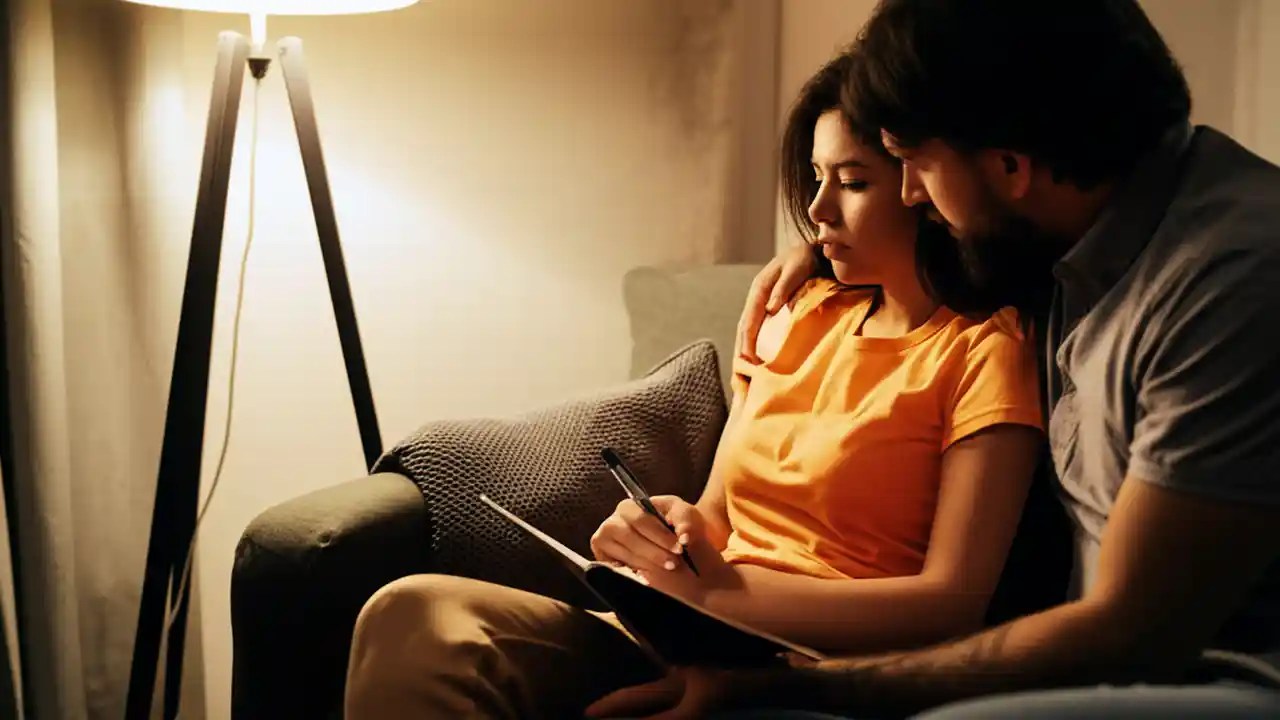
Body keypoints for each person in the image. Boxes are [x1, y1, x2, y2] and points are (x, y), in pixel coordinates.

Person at [586, 0, 1280, 718]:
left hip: (1220, 681)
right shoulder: (1065, 246)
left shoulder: (1231, 282)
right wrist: (822, 259)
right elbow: (923, 272)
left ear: (1010, 167)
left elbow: (1135, 633)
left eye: (914, 165)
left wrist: (786, 685)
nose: (913, 195)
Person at [343, 52, 1047, 720]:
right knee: (410, 612)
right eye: (816, 176)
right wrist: (661, 532)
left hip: (802, 661)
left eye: (853, 182)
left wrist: (726, 598)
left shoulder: (986, 349)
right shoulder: (800, 312)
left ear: (922, 188)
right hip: (681, 623)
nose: (818, 209)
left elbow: (953, 604)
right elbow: (718, 513)